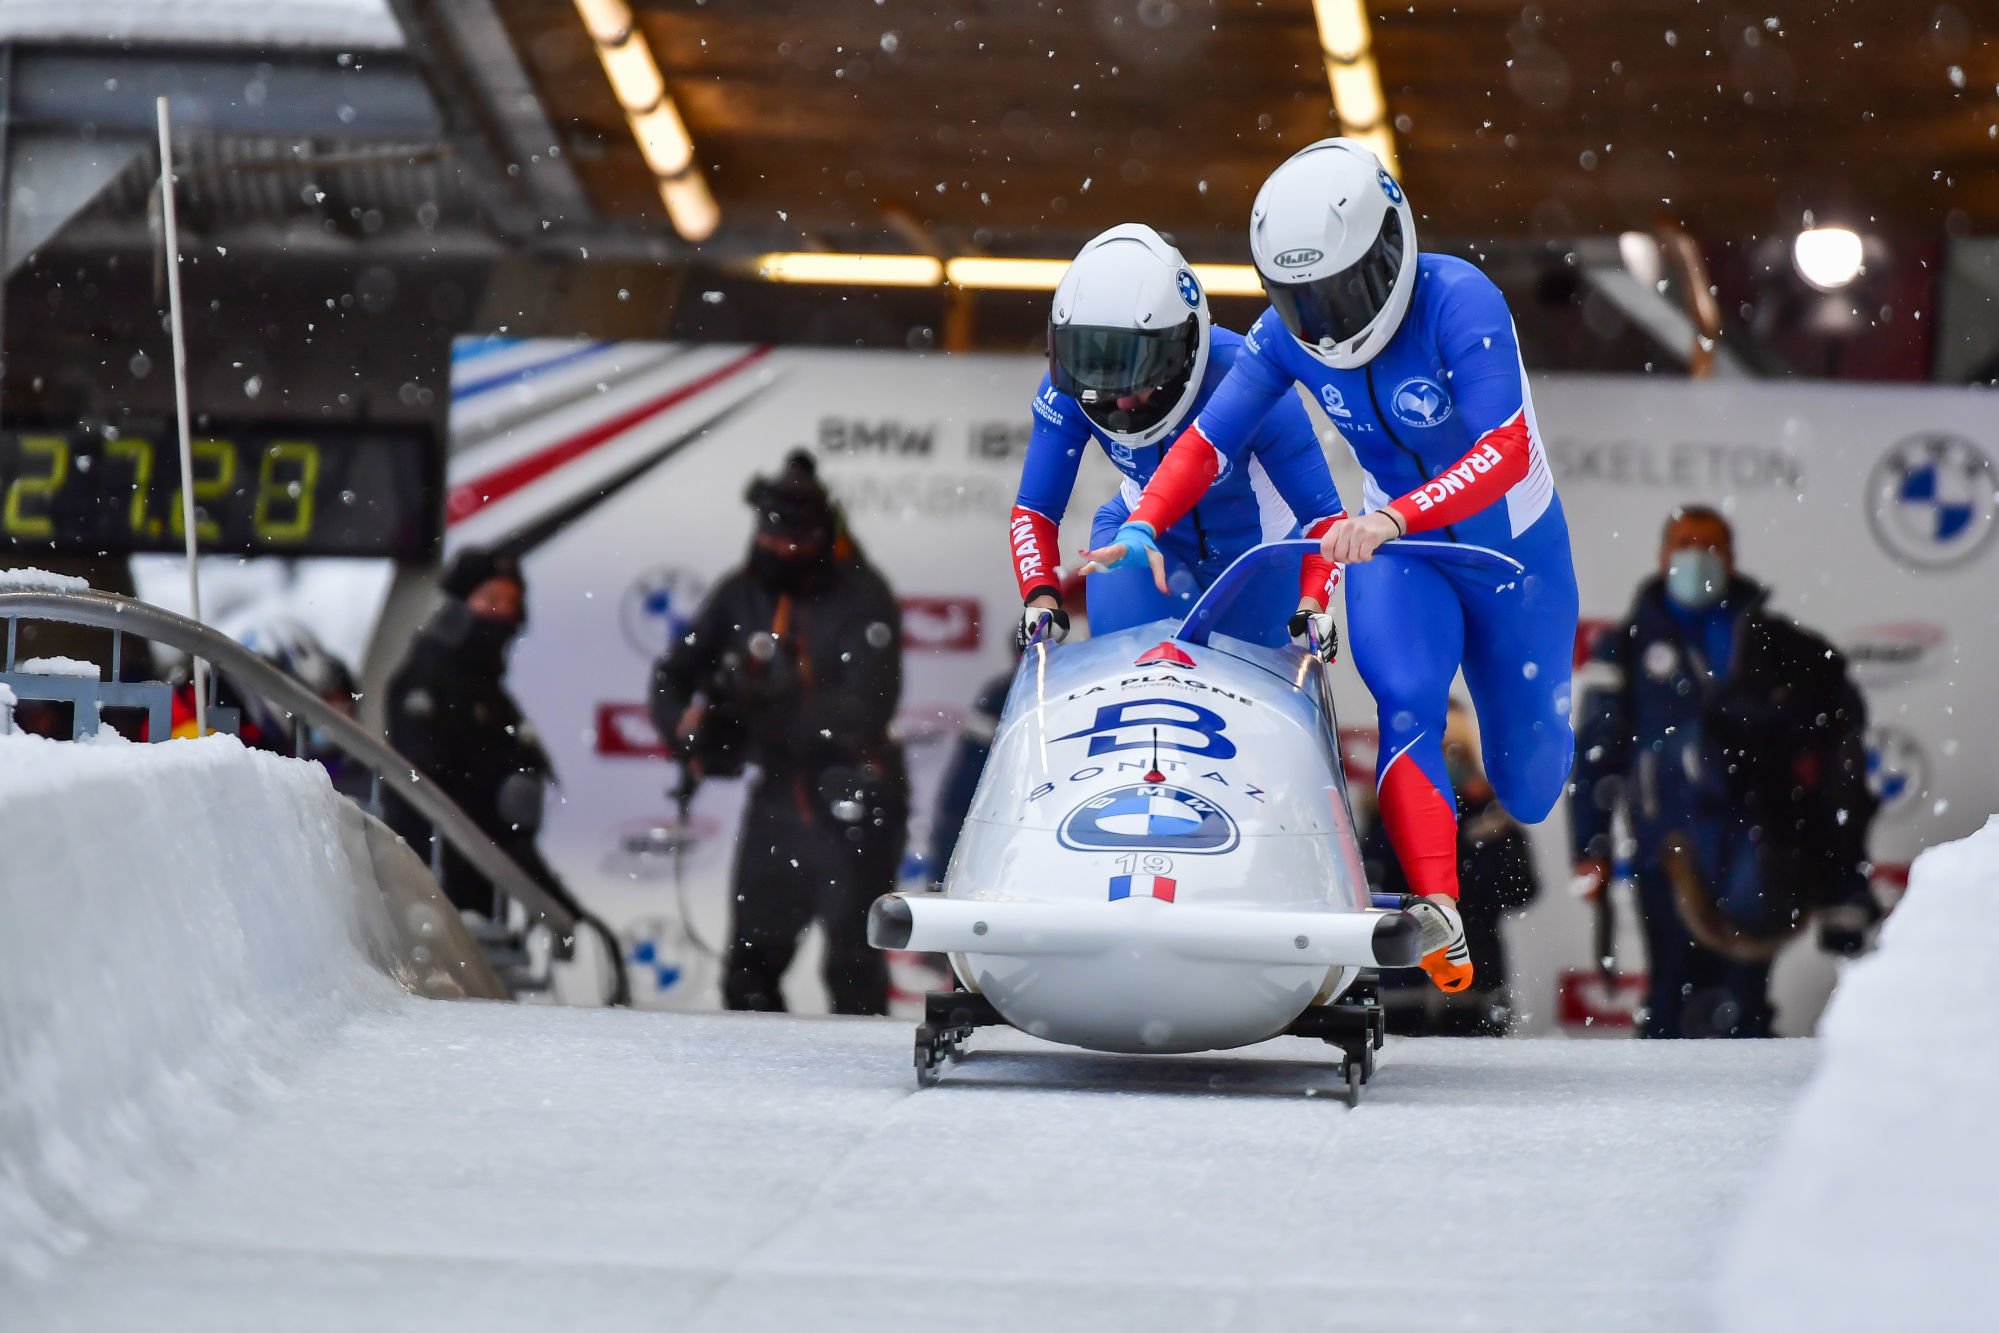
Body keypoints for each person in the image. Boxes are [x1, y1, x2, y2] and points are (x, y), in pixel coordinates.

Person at [1082, 138, 1579, 995]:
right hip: (1402, 552)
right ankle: (1438, 907)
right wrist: (1145, 523)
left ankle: (1488, 811)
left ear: (1390, 249)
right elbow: (1207, 440)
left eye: (1339, 292)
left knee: (1527, 782)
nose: (1323, 321)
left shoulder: (1462, 299)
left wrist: (1392, 513)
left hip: (1508, 557)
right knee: (1404, 702)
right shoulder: (1288, 336)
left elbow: (1501, 450)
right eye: (1298, 299)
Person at [1570, 506, 1877, 1038]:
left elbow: (1834, 745)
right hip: (1665, 846)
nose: (1698, 557)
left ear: (1731, 558)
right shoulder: (1626, 645)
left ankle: (1746, 1117)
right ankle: (1661, 1117)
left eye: (1711, 547)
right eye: (1686, 544)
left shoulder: (1779, 643)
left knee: (1744, 1002)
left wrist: (1836, 868)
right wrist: (1589, 845)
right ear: (1664, 556)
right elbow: (1598, 753)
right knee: (1671, 993)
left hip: (1760, 844)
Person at [1010, 222, 1346, 655]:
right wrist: (1041, 596)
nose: (1119, 399)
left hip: (1260, 563)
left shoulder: (1251, 377)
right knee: (1127, 687)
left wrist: (1311, 602)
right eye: (1096, 368)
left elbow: (1324, 519)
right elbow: (1035, 509)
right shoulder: (1067, 388)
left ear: (1180, 346)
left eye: (1136, 368)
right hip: (1136, 550)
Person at [650, 451, 906, 1015]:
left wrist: (770, 703)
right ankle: (745, 1094)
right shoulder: (740, 592)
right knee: (748, 969)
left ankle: (862, 1097)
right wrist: (690, 729)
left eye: (796, 538)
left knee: (853, 966)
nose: (783, 550)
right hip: (776, 797)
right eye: (773, 536)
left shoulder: (863, 597)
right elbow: (673, 673)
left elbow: (866, 710)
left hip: (854, 797)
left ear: (822, 535)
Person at [383, 548, 585, 922]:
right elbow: (423, 789)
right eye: (491, 599)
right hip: (431, 889)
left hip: (483, 886)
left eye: (511, 603)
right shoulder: (425, 681)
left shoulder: (494, 696)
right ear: (460, 604)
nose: (502, 614)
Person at [1362, 700, 1540, 1035]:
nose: (1447, 760)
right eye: (1438, 748)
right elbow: (1372, 887)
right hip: (1403, 985)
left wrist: (1478, 849)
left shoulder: (1492, 816)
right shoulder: (1385, 811)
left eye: (1456, 750)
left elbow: (1522, 889)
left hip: (1476, 985)